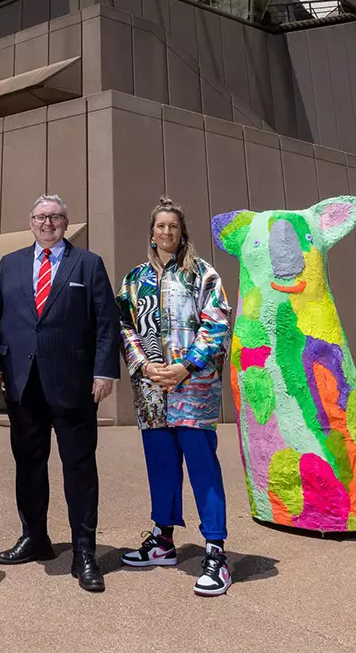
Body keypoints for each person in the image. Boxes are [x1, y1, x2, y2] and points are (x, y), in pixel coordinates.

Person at [0, 194, 120, 592]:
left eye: (56, 217)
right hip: (21, 382)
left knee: (79, 467)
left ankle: (84, 551)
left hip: (74, 384)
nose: (48, 223)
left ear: (66, 222)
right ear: (31, 222)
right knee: (28, 464)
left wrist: (104, 372)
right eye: (42, 217)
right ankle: (35, 537)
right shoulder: (10, 264)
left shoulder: (88, 263)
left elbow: (105, 323)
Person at [115, 197, 234, 596]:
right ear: (151, 232)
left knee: (203, 467)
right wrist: (145, 366)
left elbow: (217, 322)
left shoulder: (202, 274)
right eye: (160, 226)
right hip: (151, 390)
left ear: (182, 233)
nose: (166, 232)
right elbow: (123, 326)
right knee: (161, 466)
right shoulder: (134, 280)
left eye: (173, 227)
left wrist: (187, 365)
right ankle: (163, 541)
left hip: (193, 388)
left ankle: (216, 550)